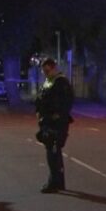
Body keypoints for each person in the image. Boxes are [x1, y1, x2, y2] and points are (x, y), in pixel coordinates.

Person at [35, 58, 74, 193]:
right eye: (44, 71)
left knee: (53, 152)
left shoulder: (61, 82)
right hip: (47, 121)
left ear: (53, 68)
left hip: (57, 123)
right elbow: (41, 98)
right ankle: (58, 182)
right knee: (53, 152)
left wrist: (58, 115)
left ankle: (54, 182)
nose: (45, 74)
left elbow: (67, 102)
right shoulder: (48, 81)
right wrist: (38, 111)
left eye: (47, 70)